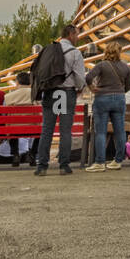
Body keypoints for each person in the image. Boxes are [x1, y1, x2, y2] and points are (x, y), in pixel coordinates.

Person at [34, 25, 87, 177]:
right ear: (70, 34)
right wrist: (79, 88)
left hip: (50, 92)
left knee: (47, 130)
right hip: (65, 93)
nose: (77, 37)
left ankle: (42, 166)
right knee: (65, 131)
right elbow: (79, 77)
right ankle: (64, 165)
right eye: (77, 34)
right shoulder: (75, 53)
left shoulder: (48, 49)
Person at [85, 39, 130, 172]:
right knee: (119, 131)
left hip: (102, 98)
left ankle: (100, 162)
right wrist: (119, 91)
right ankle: (117, 161)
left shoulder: (101, 65)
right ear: (119, 52)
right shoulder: (125, 67)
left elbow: (88, 77)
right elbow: (129, 86)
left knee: (101, 132)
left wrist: (92, 88)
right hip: (119, 99)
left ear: (106, 51)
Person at [0, 72, 35, 165]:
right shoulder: (35, 95)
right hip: (33, 128)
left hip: (13, 128)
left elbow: (3, 115)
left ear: (17, 82)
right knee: (40, 130)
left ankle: (15, 154)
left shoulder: (8, 96)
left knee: (12, 128)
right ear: (30, 82)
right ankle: (32, 153)